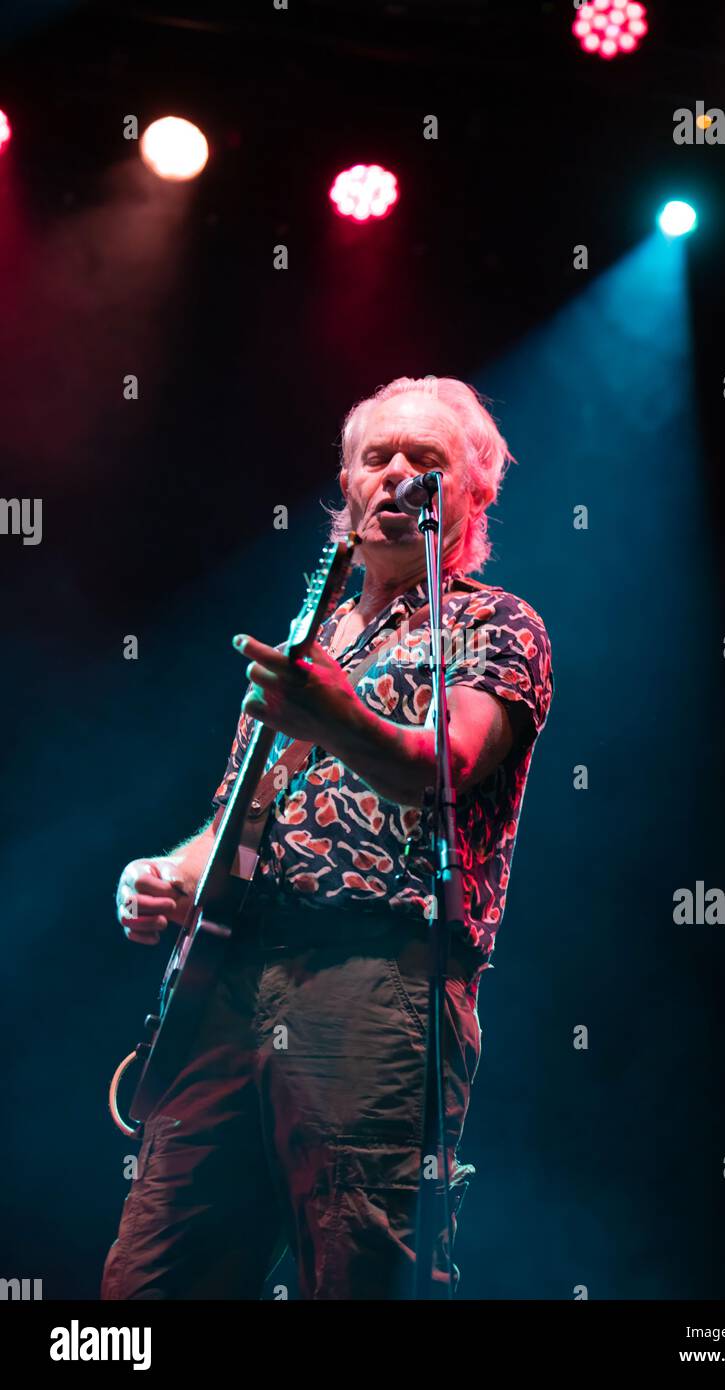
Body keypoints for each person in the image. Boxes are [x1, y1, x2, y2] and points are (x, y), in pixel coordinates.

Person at [102, 376, 554, 1300]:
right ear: (345, 486)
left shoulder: (493, 623)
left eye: (425, 462)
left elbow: (449, 764)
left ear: (473, 490)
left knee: (358, 1271)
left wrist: (338, 714)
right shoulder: (307, 641)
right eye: (376, 457)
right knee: (142, 1290)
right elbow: (239, 814)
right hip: (226, 994)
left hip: (378, 982)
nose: (397, 475)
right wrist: (162, 872)